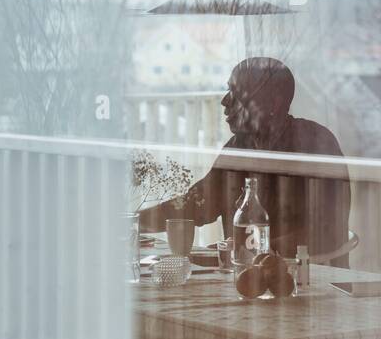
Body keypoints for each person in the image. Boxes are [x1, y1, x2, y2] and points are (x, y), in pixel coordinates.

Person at [139, 57, 350, 260]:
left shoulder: (315, 143)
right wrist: (134, 221)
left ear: (273, 104)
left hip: (306, 281)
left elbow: (327, 230)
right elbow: (198, 204)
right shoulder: (238, 147)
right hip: (247, 277)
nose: (225, 101)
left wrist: (248, 250)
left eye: (236, 92)